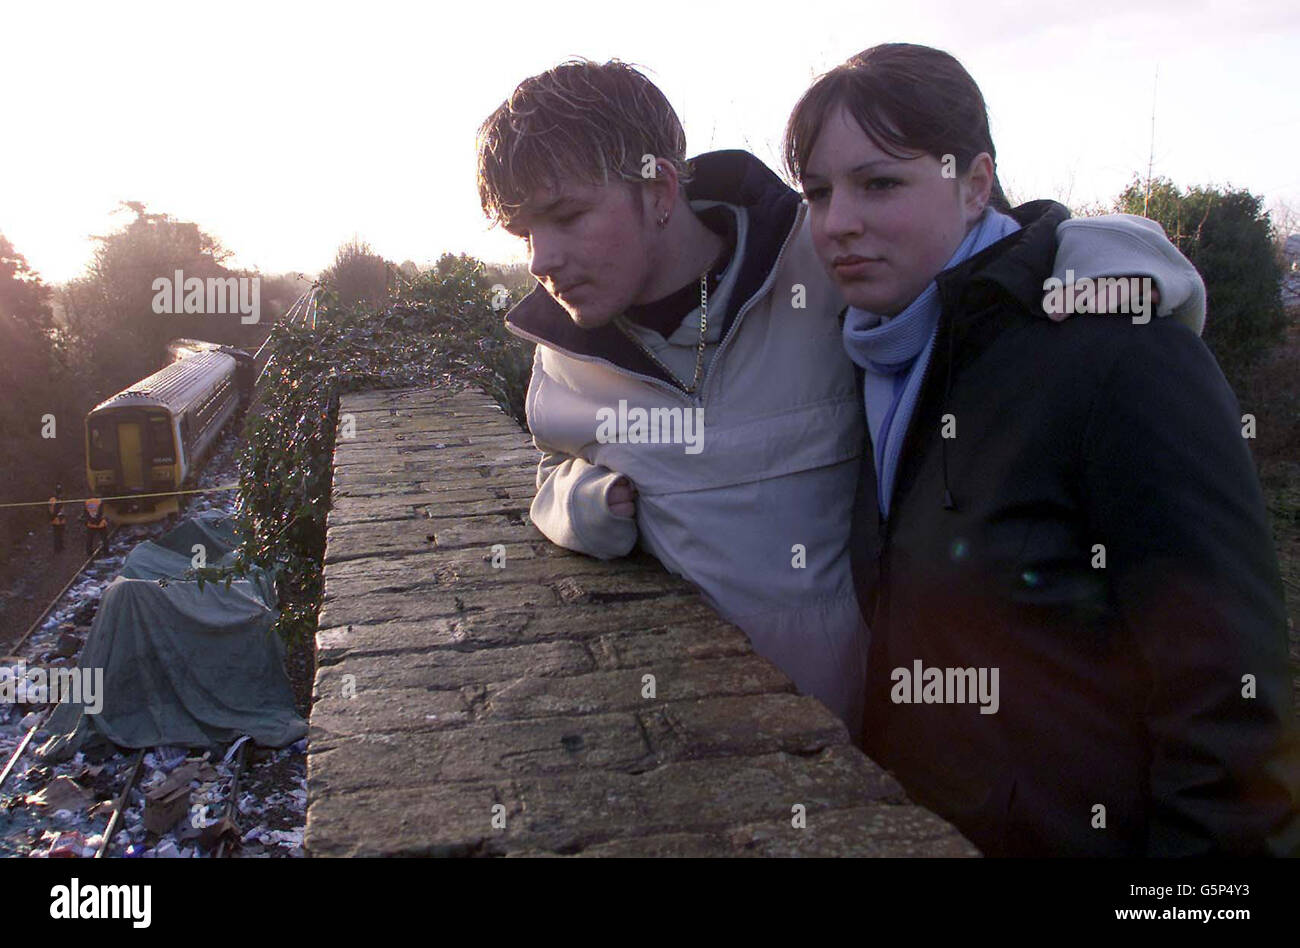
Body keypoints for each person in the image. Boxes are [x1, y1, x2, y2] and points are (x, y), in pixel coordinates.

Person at [476, 58, 1202, 748]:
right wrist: (578, 503)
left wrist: (1103, 256)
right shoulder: (560, 352)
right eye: (524, 232)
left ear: (661, 189)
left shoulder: (823, 258)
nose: (540, 259)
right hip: (695, 738)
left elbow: (976, 261)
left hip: (892, 734)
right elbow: (549, 466)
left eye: (566, 215)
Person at [784, 42, 1300, 855]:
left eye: (880, 182)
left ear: (975, 182)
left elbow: (1228, 687)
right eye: (817, 192)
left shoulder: (1116, 348)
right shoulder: (867, 355)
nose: (838, 220)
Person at [83, 493, 108, 558]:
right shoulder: (100, 501)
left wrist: (91, 520)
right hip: (101, 524)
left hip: (91, 524)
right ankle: (106, 552)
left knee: (89, 539)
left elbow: (85, 513)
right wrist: (97, 521)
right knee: (104, 538)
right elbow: (100, 512)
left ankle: (89, 552)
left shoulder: (87, 502)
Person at [48, 482, 66, 554]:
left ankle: (60, 546)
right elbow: (54, 510)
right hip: (57, 519)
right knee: (57, 534)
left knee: (60, 534)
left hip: (60, 519)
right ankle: (57, 548)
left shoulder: (54, 500)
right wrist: (53, 517)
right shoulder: (55, 500)